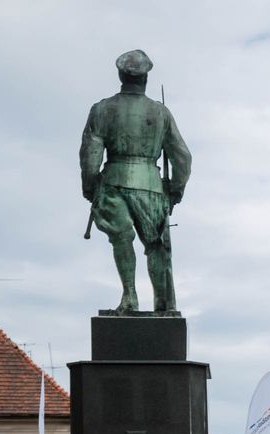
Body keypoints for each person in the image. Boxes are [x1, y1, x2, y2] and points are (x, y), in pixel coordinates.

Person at [79, 49, 191, 313]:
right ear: (146, 78)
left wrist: (90, 186)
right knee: (156, 246)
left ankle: (129, 295)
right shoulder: (161, 113)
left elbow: (90, 155)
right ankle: (163, 304)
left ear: (121, 76)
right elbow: (182, 157)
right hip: (151, 186)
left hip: (113, 183)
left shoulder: (101, 109)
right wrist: (175, 190)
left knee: (121, 238)